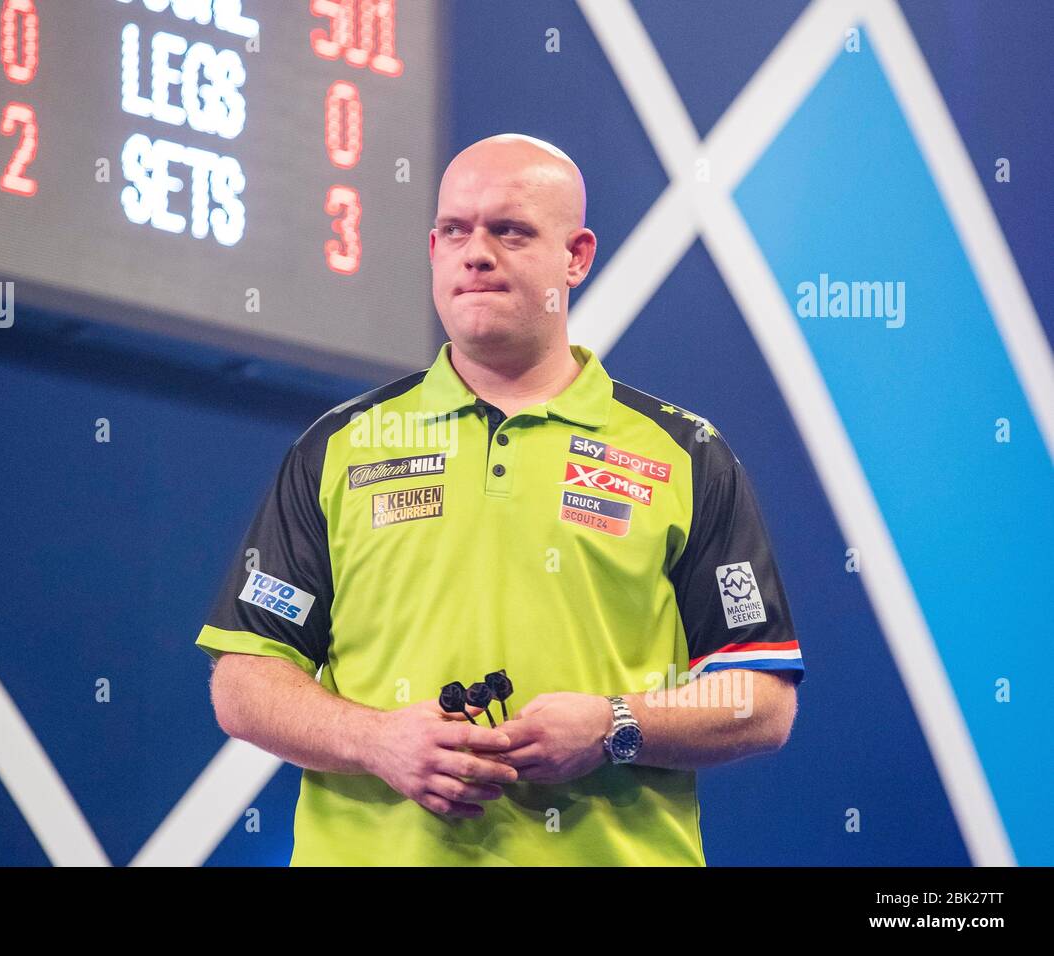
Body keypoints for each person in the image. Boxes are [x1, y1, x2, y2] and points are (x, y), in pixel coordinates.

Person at [196, 133, 805, 866]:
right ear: (432, 248)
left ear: (576, 257)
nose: (475, 252)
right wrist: (378, 740)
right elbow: (244, 682)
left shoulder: (685, 453)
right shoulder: (340, 445)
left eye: (510, 230)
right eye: (455, 230)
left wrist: (616, 725)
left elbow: (760, 701)